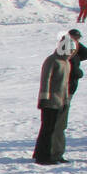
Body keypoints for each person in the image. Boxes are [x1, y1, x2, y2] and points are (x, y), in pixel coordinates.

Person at [33, 33, 76, 165]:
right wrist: (44, 98)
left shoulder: (67, 63)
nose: (72, 53)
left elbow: (66, 84)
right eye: (70, 50)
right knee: (48, 129)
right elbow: (45, 80)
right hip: (50, 102)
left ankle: (55, 154)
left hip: (61, 102)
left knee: (57, 129)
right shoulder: (52, 60)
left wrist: (67, 99)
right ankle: (43, 156)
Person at [67, 28, 87, 103]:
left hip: (71, 84)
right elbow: (74, 71)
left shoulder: (75, 49)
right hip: (66, 84)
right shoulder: (67, 48)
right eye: (76, 37)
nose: (77, 39)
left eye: (78, 38)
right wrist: (79, 73)